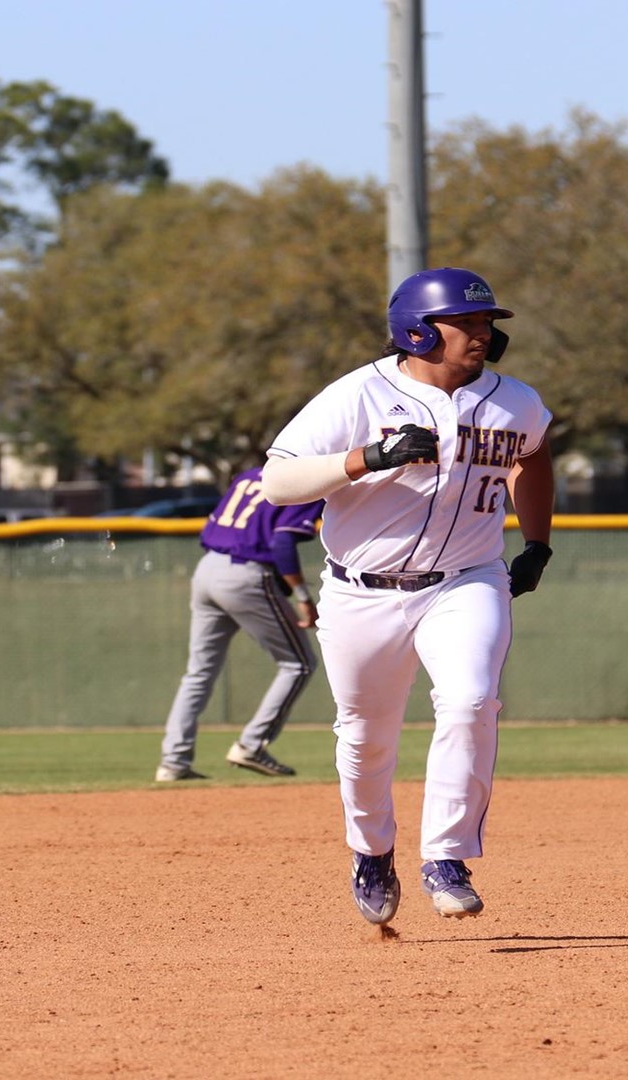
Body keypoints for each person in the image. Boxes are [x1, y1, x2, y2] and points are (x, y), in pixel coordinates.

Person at [259, 268, 555, 924]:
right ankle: (371, 850)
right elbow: (277, 484)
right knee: (366, 737)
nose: (483, 332)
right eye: (467, 322)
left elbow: (533, 454)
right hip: (359, 592)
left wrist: (537, 541)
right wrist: (367, 457)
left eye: (487, 323)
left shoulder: (517, 402)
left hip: (466, 580)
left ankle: (446, 856)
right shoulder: (358, 395)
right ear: (418, 332)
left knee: (472, 699)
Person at [155, 469, 325, 781]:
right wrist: (303, 596)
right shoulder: (305, 476)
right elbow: (283, 543)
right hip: (244, 574)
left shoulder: (250, 475)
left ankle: (173, 762)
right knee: (298, 664)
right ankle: (251, 745)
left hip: (207, 569)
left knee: (199, 672)